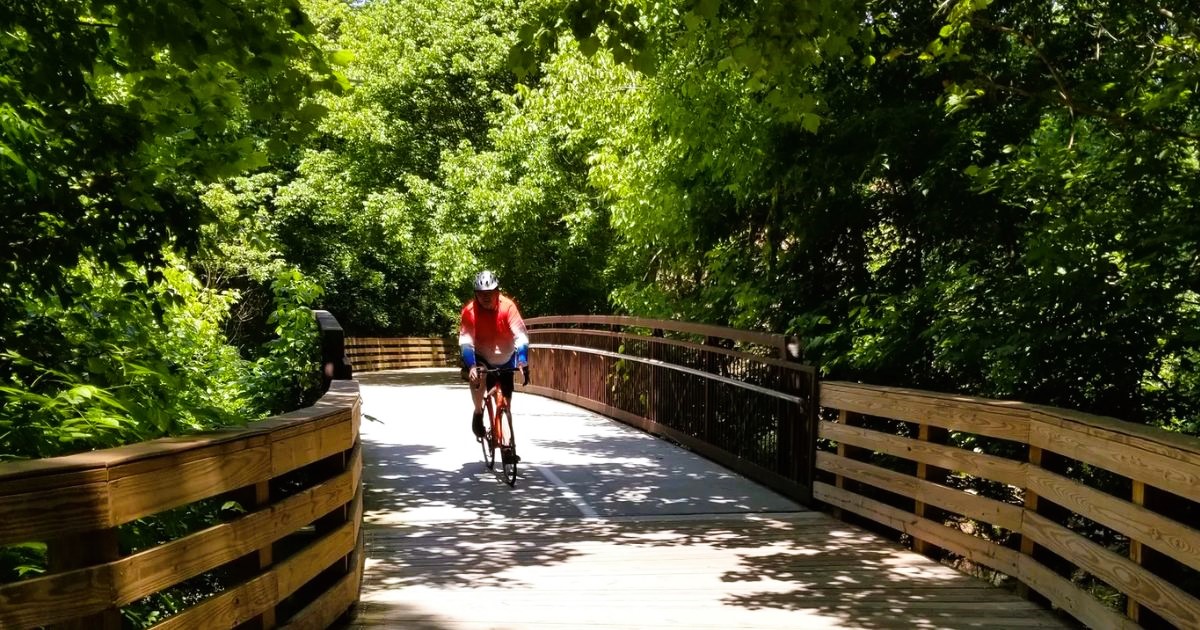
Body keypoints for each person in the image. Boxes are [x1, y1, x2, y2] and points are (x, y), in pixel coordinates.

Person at [459, 269, 530, 440]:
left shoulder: (508, 307)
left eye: (490, 293)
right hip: (481, 356)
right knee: (478, 377)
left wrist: (522, 360)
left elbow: (521, 336)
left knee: (506, 402)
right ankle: (478, 412)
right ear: (476, 294)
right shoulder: (470, 312)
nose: (486, 297)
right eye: (481, 293)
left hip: (506, 356)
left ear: (497, 291)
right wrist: (471, 366)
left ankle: (506, 440)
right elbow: (466, 342)